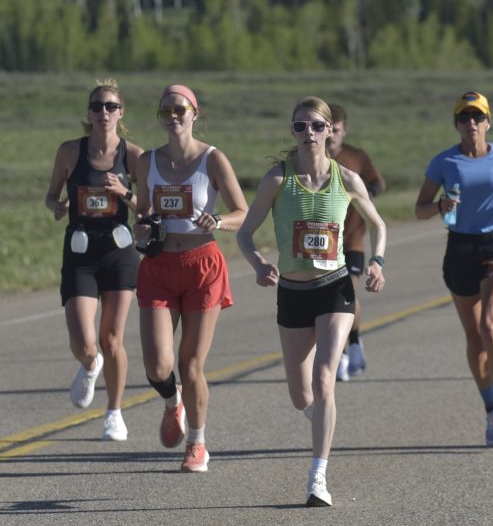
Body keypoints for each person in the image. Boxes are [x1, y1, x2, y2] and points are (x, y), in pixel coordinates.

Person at [238, 96, 388, 508]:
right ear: (293, 133)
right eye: (300, 127)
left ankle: (317, 477)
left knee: (325, 378)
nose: (309, 134)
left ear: (329, 131)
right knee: (300, 394)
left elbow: (378, 224)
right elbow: (244, 234)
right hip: (292, 292)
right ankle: (319, 413)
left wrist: (376, 261)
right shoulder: (277, 179)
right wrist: (258, 265)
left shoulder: (348, 179)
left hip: (335, 287)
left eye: (317, 127)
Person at [132, 84, 249, 473]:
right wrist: (142, 230)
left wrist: (217, 220)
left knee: (192, 365)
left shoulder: (212, 160)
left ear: (195, 113)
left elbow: (243, 211)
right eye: (166, 110)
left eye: (180, 109)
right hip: (159, 267)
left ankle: (197, 443)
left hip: (202, 265)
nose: (173, 116)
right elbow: (144, 213)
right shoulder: (146, 161)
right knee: (158, 366)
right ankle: (172, 402)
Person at [415, 90, 493, 448]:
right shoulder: (443, 162)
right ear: (456, 124)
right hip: (459, 248)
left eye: (478, 117)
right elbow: (419, 209)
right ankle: (491, 411)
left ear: (488, 122)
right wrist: (440, 204)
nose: (471, 124)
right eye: (464, 118)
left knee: (490, 325)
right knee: (474, 337)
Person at [43, 80, 144, 441]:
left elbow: (148, 207)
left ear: (121, 113)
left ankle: (114, 413)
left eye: (111, 106)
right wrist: (57, 206)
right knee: (85, 341)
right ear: (88, 113)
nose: (104, 112)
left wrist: (125, 193)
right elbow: (51, 196)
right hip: (81, 251)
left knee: (112, 339)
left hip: (119, 251)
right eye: (97, 105)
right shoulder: (70, 152)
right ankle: (90, 365)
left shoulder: (133, 155)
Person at [325, 103, 386, 381]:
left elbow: (377, 182)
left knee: (348, 292)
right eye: (327, 129)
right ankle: (342, 348)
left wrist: (367, 194)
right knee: (327, 301)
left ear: (344, 130)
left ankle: (352, 344)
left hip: (352, 240)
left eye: (336, 130)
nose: (331, 136)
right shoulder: (313, 157)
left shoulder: (356, 157)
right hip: (321, 245)